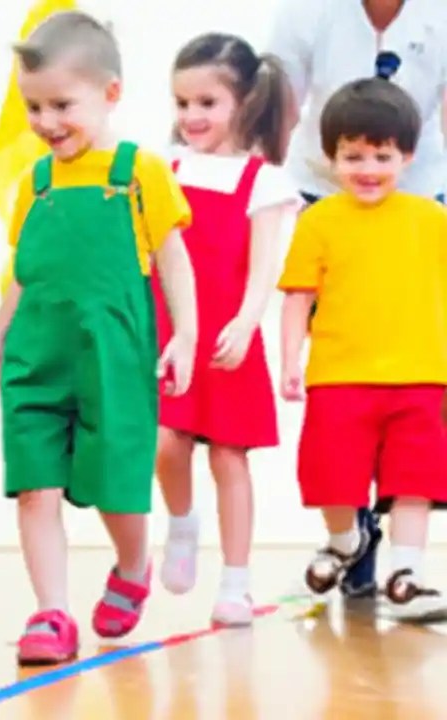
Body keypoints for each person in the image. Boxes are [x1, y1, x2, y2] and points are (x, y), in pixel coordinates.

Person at [0, 11, 198, 666]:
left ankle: (132, 562)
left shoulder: (138, 172)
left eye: (61, 104)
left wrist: (185, 334)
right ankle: (51, 612)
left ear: (111, 93)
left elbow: (174, 258)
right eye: (33, 106)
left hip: (113, 352)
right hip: (36, 353)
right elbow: (24, 270)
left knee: (113, 480)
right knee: (34, 483)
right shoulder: (34, 182)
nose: (46, 121)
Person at [267, 0, 447, 599]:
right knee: (334, 474)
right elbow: (297, 296)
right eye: (354, 156)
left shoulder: (430, 220)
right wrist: (290, 362)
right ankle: (349, 544)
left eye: (381, 156)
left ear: (405, 156)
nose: (367, 167)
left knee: (414, 477)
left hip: (418, 372)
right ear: (335, 156)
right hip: (341, 373)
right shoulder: (319, 223)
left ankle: (406, 568)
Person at [152, 33, 298, 628]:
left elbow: (265, 267)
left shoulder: (265, 182)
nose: (191, 116)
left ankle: (236, 581)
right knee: (166, 443)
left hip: (227, 336)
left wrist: (245, 320)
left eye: (206, 103)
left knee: (230, 459)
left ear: (244, 101)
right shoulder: (164, 168)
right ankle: (182, 523)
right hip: (170, 330)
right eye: (182, 103)